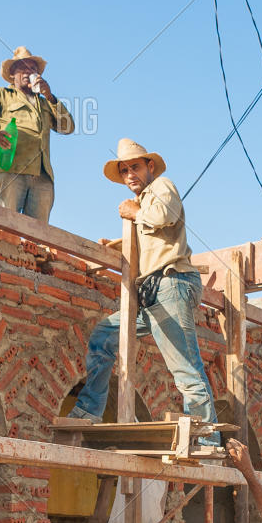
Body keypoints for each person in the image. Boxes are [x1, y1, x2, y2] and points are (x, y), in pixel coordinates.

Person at [67, 139, 219, 447]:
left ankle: (207, 442)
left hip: (171, 284)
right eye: (124, 171)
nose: (129, 175)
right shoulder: (141, 205)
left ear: (150, 166)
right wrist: (113, 245)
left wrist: (134, 212)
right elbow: (145, 242)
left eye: (134, 167)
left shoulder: (162, 187)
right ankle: (89, 410)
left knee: (185, 369)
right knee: (103, 336)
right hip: (150, 293)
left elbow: (164, 216)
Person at [0, 47, 74, 222]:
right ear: (12, 74)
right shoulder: (1, 95)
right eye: (23, 67)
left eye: (33, 69)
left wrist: (50, 96)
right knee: (3, 225)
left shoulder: (45, 103)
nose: (29, 72)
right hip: (10, 170)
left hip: (42, 176)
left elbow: (68, 127)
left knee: (38, 233)